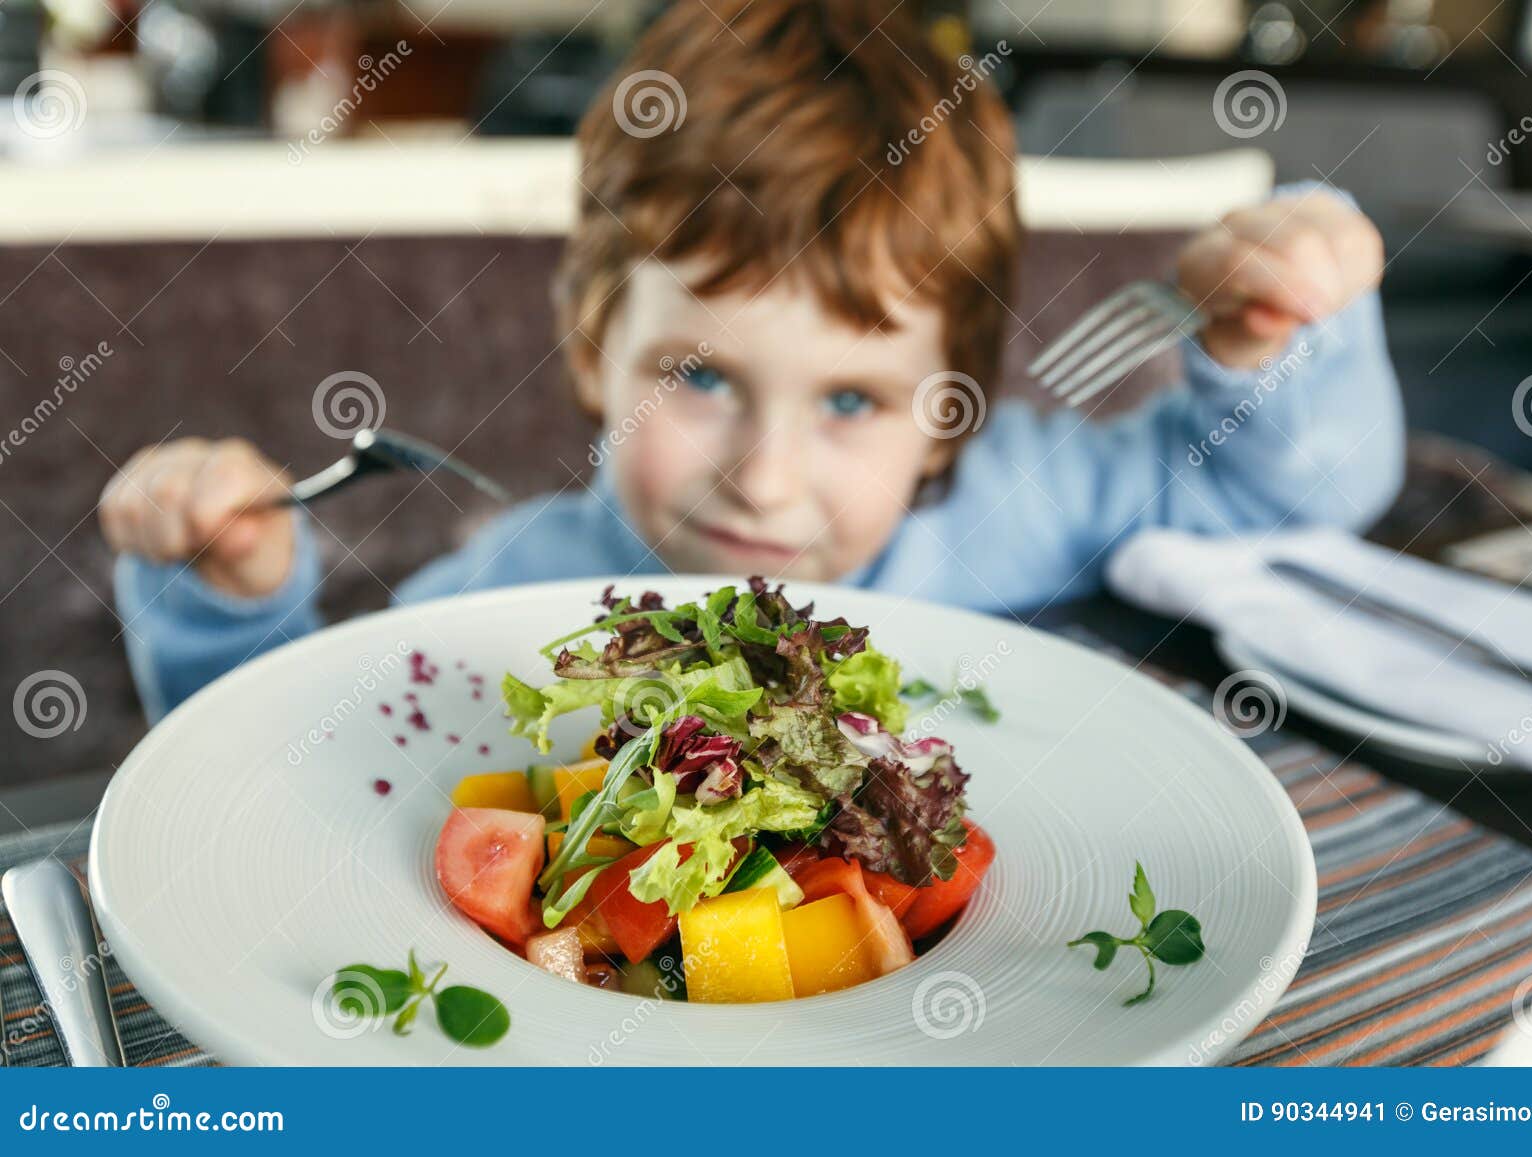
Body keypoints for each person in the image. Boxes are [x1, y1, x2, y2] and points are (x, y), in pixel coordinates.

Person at [99, 0, 1402, 722]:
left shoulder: (1024, 495)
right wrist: (230, 596)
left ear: (950, 414)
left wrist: (1281, 335)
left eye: (852, 399)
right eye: (704, 377)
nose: (765, 482)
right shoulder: (506, 592)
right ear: (596, 346)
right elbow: (293, 763)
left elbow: (1285, 506)